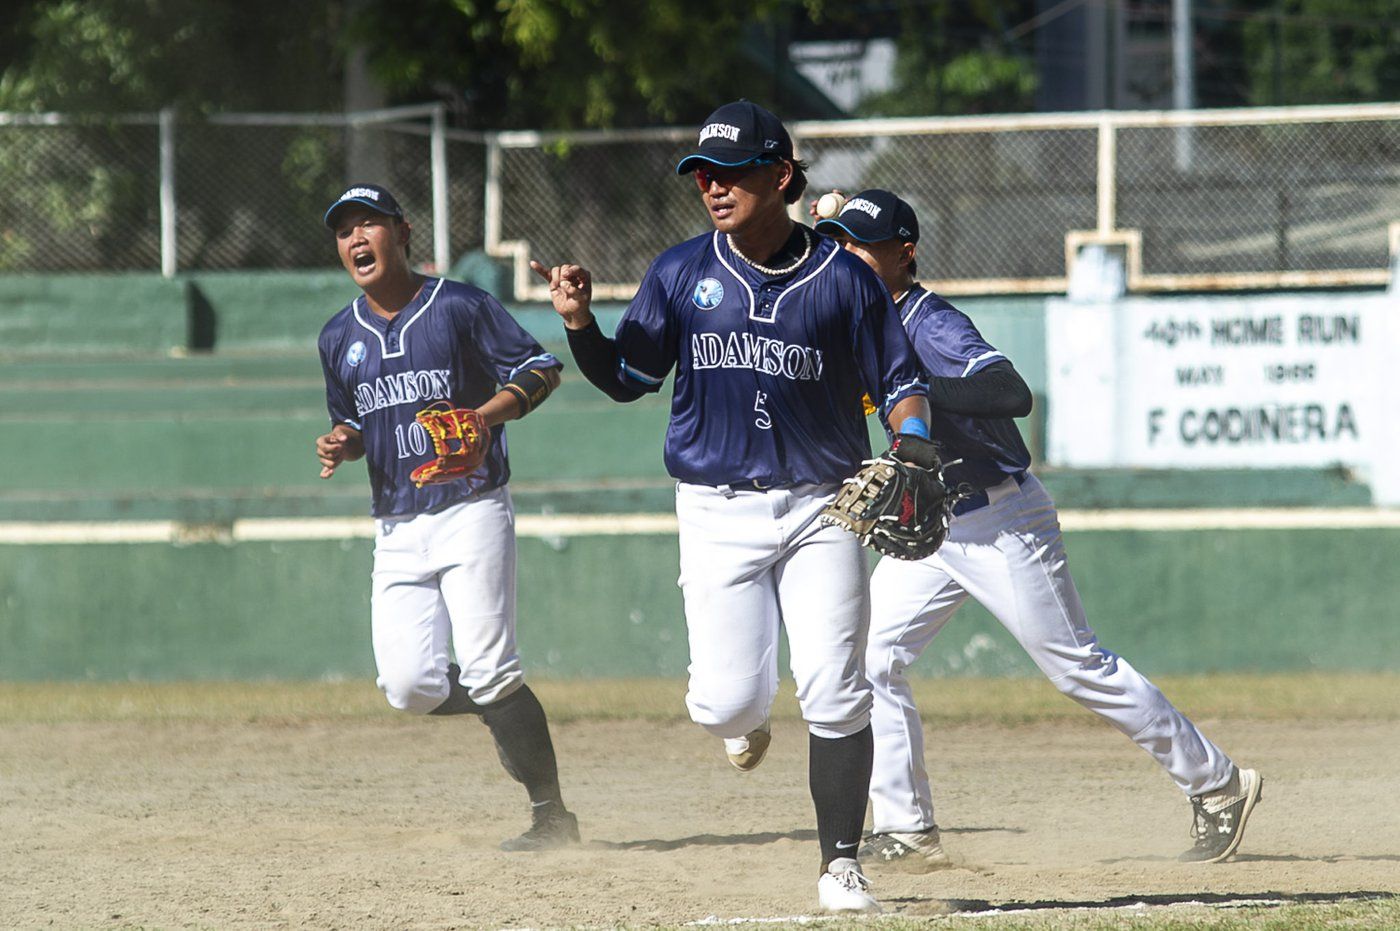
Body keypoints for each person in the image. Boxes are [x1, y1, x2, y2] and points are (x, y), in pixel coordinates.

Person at [531, 101, 932, 913]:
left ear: (779, 176)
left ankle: (842, 864)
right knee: (728, 703)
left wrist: (914, 444)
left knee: (835, 687)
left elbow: (902, 382)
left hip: (825, 504)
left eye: (732, 171)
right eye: (702, 175)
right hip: (715, 509)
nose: (712, 186)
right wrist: (579, 323)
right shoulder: (680, 272)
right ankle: (744, 722)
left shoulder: (845, 277)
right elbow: (627, 377)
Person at [813, 188, 1264, 871]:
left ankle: (1220, 783)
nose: (848, 256)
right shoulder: (865, 318)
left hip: (1000, 521)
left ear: (904, 253)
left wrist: (920, 388)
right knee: (872, 657)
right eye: (843, 245)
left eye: (862, 245)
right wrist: (822, 224)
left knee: (1079, 666)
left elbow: (1008, 391)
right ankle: (907, 826)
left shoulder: (929, 322)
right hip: (937, 525)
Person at [314, 183, 580, 852]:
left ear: (402, 233)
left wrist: (484, 417)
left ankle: (553, 816)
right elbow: (352, 414)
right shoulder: (339, 335)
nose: (356, 239)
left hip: (472, 506)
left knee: (491, 665)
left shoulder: (459, 305)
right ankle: (500, 708)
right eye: (344, 230)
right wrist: (344, 440)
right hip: (397, 520)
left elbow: (542, 367)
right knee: (408, 686)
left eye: (369, 223)